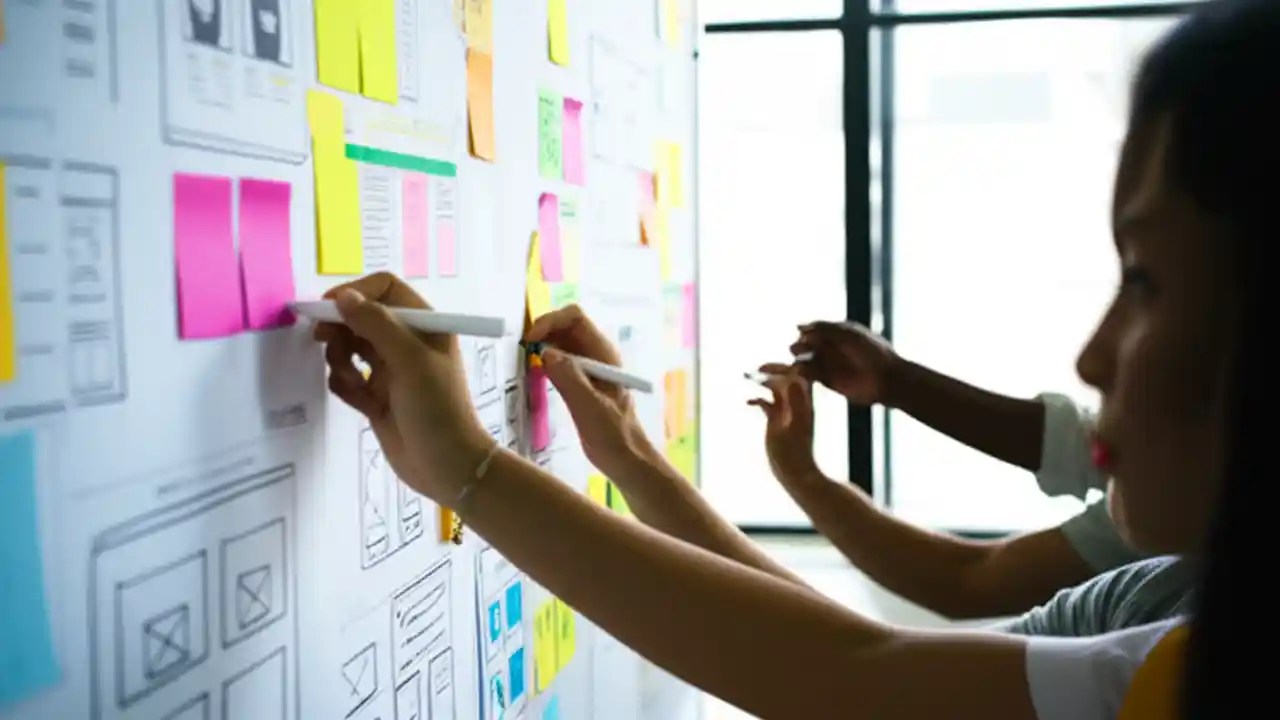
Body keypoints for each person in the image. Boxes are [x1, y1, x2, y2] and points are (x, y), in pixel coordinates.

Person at [312, 2, 1271, 715]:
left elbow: (854, 675)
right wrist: (636, 465)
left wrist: (471, 471)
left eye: (1143, 280)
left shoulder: (1183, 669)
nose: (1095, 356)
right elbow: (856, 665)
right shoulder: (1155, 594)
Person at [751, 334, 1194, 634]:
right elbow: (1076, 444)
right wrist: (897, 382)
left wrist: (803, 476)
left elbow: (959, 588)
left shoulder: (1146, 598)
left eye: (1144, 284)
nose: (1091, 359)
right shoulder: (1123, 592)